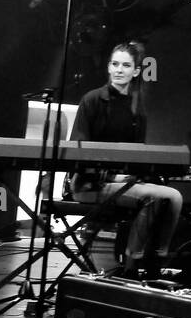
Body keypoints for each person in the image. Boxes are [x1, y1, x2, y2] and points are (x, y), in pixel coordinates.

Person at [66, 41, 183, 279]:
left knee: (174, 197)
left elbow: (135, 154)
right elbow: (78, 155)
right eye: (115, 64)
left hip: (123, 182)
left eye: (126, 65)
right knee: (151, 197)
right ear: (109, 68)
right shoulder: (92, 100)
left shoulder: (137, 106)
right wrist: (114, 176)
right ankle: (131, 267)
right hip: (89, 184)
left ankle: (156, 263)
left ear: (136, 71)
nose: (119, 70)